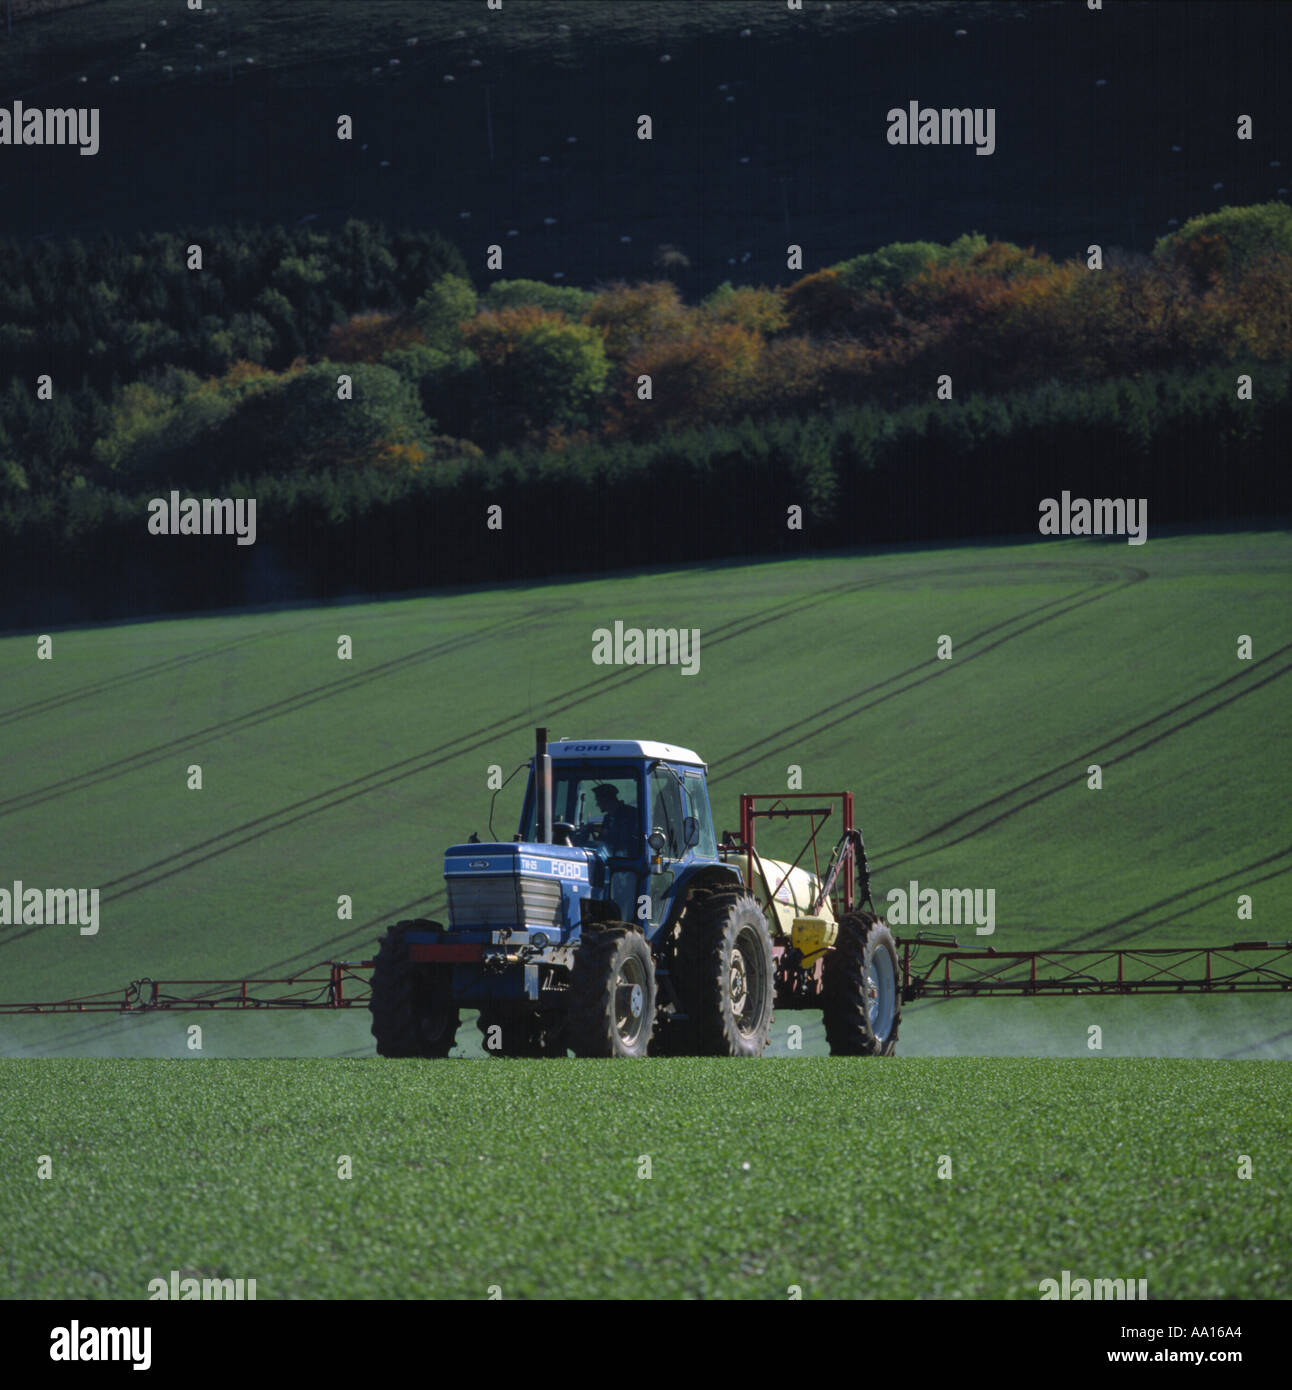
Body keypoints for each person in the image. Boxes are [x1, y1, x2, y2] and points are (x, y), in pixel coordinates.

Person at [590, 783, 639, 855]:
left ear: (606, 799)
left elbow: (624, 840)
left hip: (626, 859)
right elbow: (603, 841)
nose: (597, 804)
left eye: (598, 800)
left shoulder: (631, 814)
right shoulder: (607, 818)